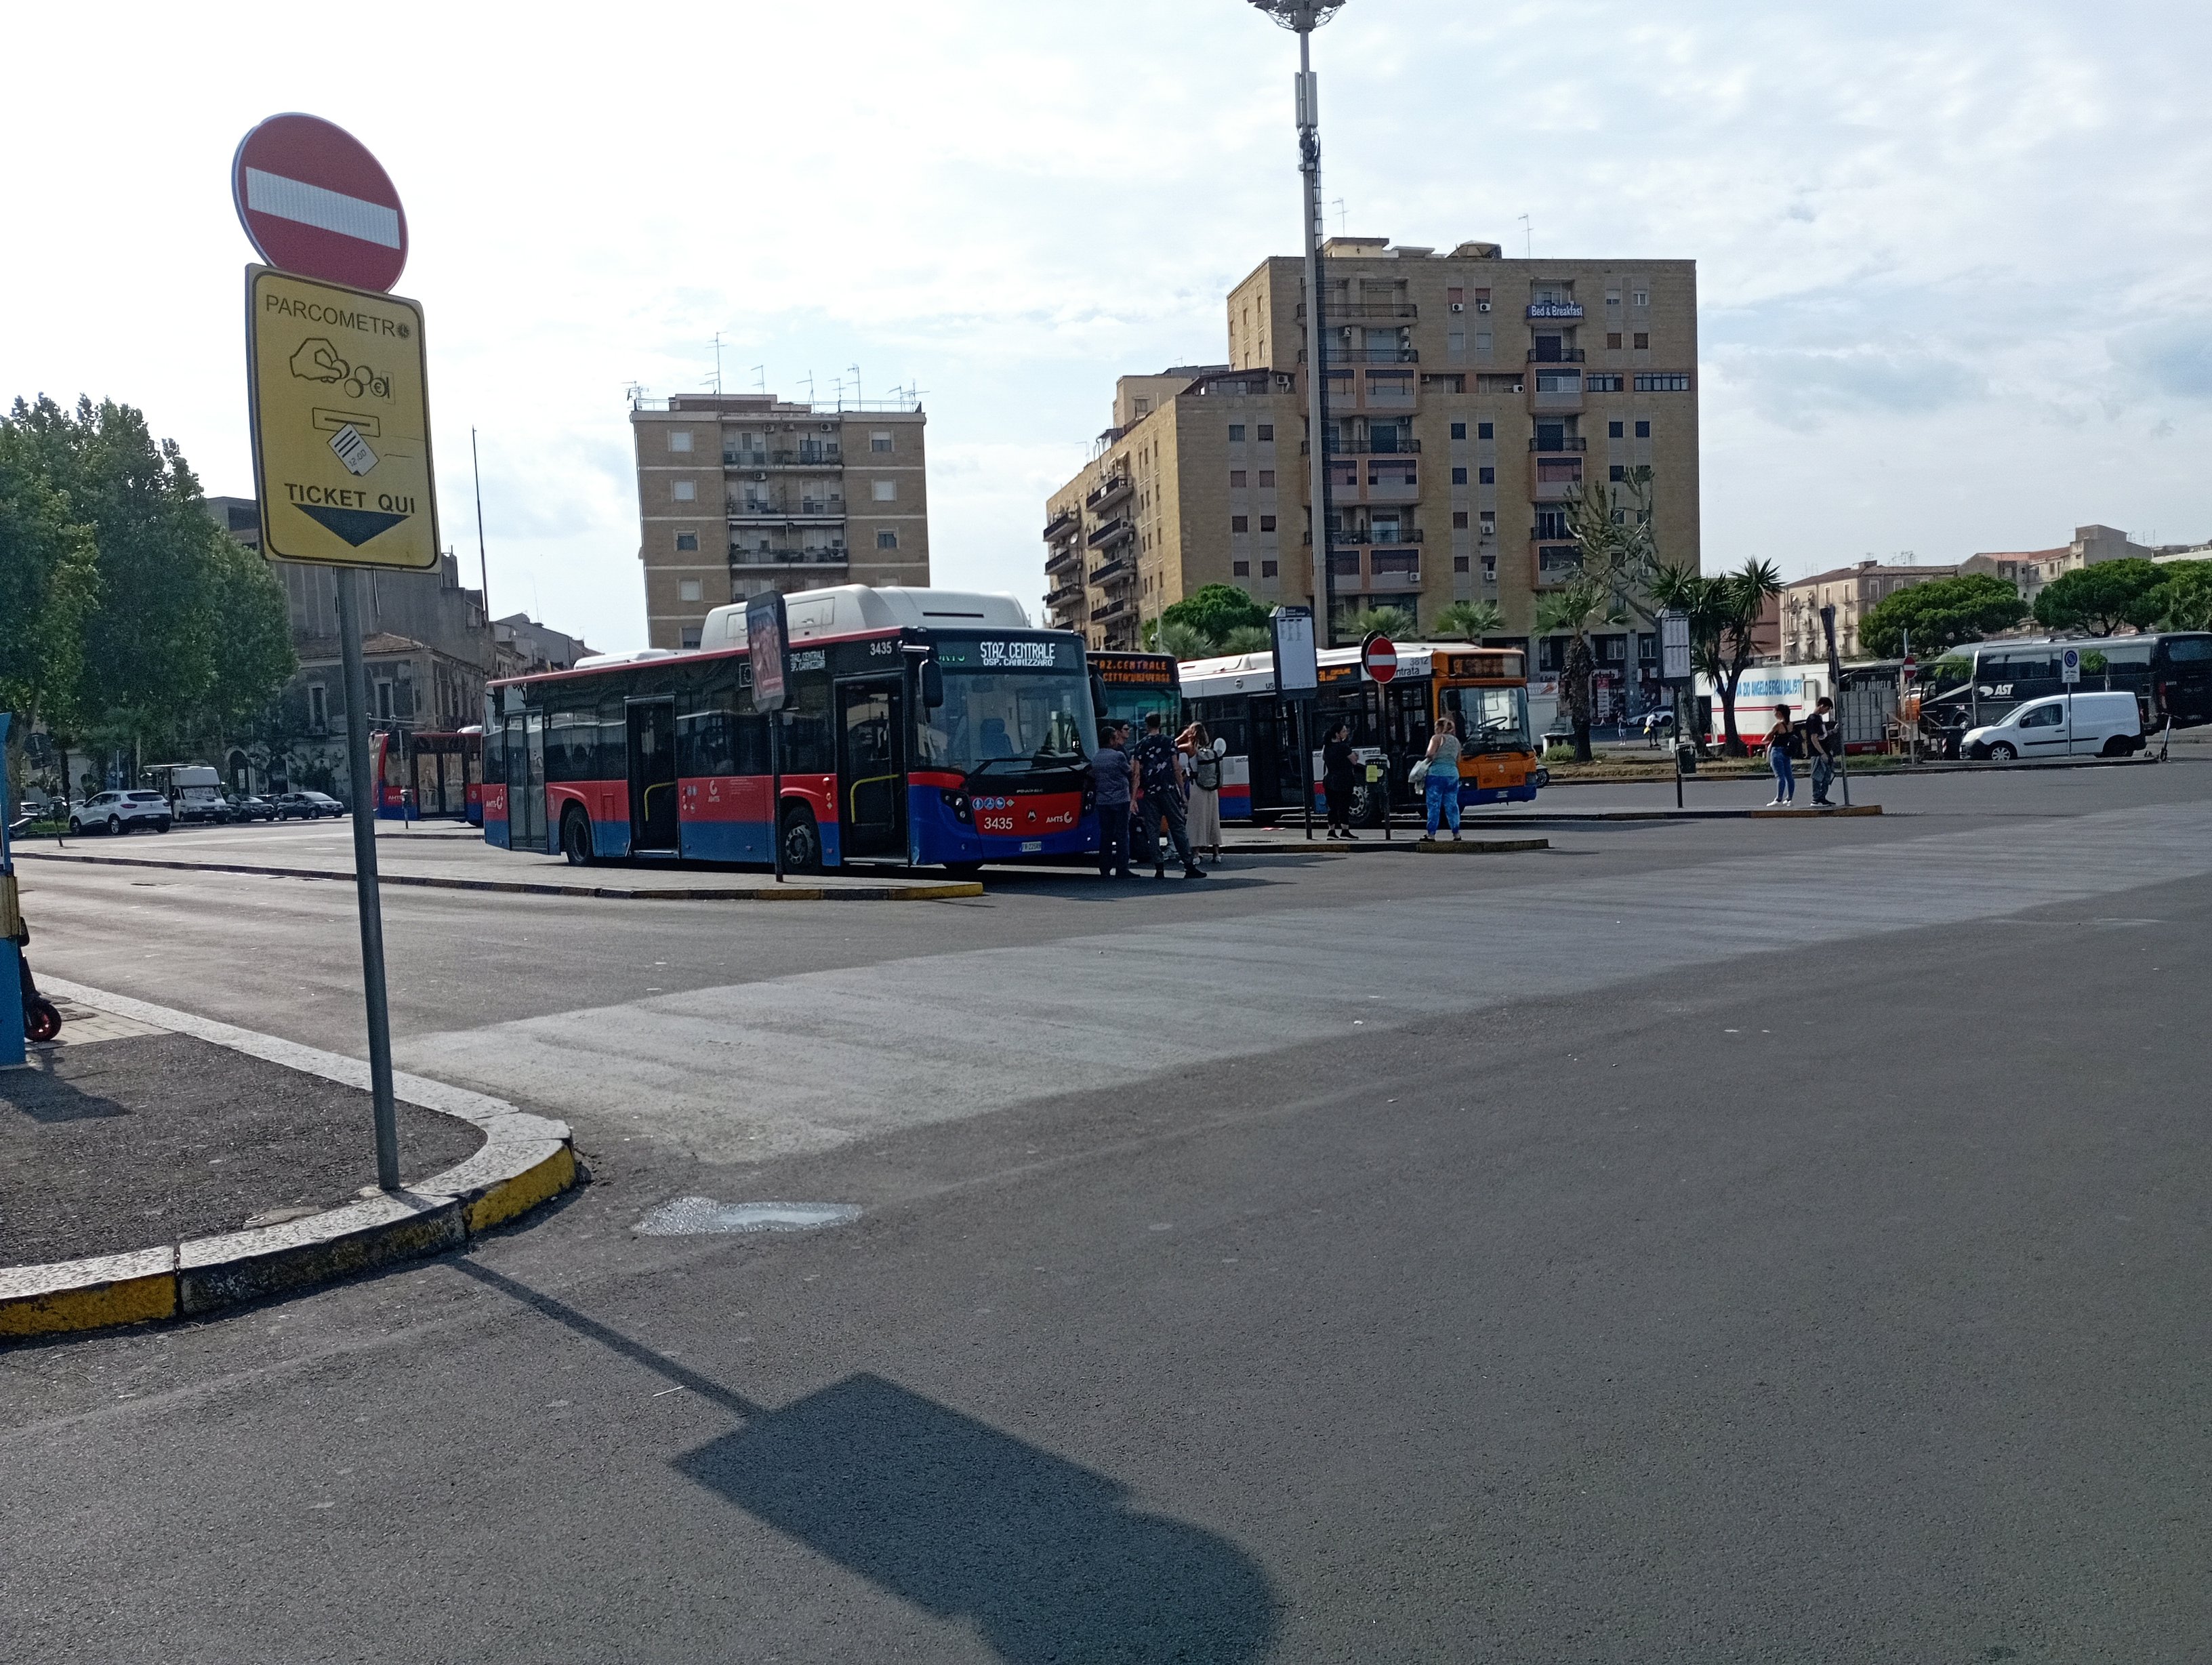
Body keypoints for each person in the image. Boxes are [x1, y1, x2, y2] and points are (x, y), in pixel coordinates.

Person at [1132, 712, 1206, 880]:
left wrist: (1133, 799)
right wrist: (1182, 793)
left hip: (1150, 792)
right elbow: (1176, 769)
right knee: (1177, 827)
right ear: (1160, 725)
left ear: (1146, 725)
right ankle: (1189, 865)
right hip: (1168, 790)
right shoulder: (1169, 742)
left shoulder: (1140, 745)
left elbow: (1136, 774)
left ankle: (1159, 868)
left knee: (1152, 830)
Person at [1089, 721, 1135, 879]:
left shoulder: (1096, 757)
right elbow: (1129, 773)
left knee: (1106, 835)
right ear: (1110, 740)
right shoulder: (1118, 756)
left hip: (1103, 801)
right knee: (1122, 834)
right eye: (1115, 738)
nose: (1117, 741)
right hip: (1120, 799)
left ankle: (1105, 868)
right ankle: (1122, 868)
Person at [1179, 721, 1223, 862]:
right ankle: (1216, 853)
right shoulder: (1212, 750)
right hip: (1212, 789)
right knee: (1213, 820)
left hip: (1197, 787)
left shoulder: (1191, 748)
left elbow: (1173, 746)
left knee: (1196, 820)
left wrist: (1183, 736)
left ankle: (1196, 853)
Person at [1422, 714, 1463, 840]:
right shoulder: (1456, 741)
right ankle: (1456, 834)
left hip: (1437, 774)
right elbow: (1458, 759)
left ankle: (1431, 835)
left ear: (1438, 728)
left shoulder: (1436, 738)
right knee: (1452, 804)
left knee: (1434, 805)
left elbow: (1429, 754)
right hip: (1453, 774)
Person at [1322, 721, 1358, 840]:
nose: (1346, 733)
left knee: (1332, 806)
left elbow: (1324, 758)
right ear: (1337, 734)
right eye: (1343, 731)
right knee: (1344, 805)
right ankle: (1345, 831)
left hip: (1329, 780)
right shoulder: (1343, 747)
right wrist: (1356, 755)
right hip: (1344, 780)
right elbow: (1354, 761)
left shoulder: (1326, 747)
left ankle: (1331, 832)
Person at [1804, 695, 1838, 806]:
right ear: (1822, 706)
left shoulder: (1818, 718)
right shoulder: (1813, 719)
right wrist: (1822, 753)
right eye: (1827, 709)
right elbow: (1814, 738)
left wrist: (1833, 731)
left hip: (1824, 751)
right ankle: (1816, 799)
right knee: (1818, 775)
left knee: (1826, 775)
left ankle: (1822, 798)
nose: (1827, 712)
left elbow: (1822, 735)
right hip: (1817, 752)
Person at [1766, 704, 1797, 807]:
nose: (1774, 714)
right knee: (1789, 776)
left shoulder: (1778, 725)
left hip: (1777, 751)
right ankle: (1789, 799)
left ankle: (1778, 799)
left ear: (1779, 713)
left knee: (1780, 777)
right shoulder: (1791, 724)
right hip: (1786, 752)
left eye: (1774, 712)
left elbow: (1766, 737)